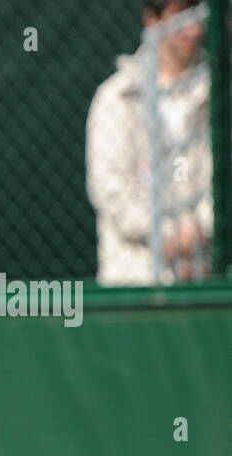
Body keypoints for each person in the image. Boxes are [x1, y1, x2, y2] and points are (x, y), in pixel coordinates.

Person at [86, 0, 210, 285]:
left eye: (200, 16)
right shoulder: (115, 98)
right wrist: (168, 233)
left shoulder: (222, 95)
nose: (194, 29)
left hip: (206, 279)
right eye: (182, 17)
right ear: (153, 20)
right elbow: (111, 189)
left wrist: (199, 229)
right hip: (133, 283)